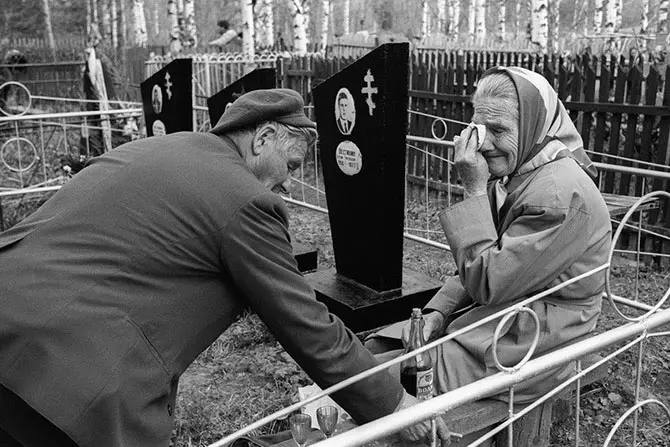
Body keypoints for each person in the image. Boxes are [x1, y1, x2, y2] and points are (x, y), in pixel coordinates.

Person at [0, 89, 448, 447]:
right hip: (65, 384)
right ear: (263, 137)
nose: (288, 183)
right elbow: (306, 324)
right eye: (290, 165)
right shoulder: (246, 199)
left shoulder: (164, 147)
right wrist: (395, 406)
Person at [367, 67, 612, 404]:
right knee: (377, 350)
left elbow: (489, 281)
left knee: (375, 383)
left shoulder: (557, 196)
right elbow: (490, 258)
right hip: (507, 315)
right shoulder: (526, 170)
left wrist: (473, 190)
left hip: (533, 339)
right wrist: (438, 312)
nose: (487, 143)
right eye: (481, 129)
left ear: (532, 126)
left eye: (499, 130)